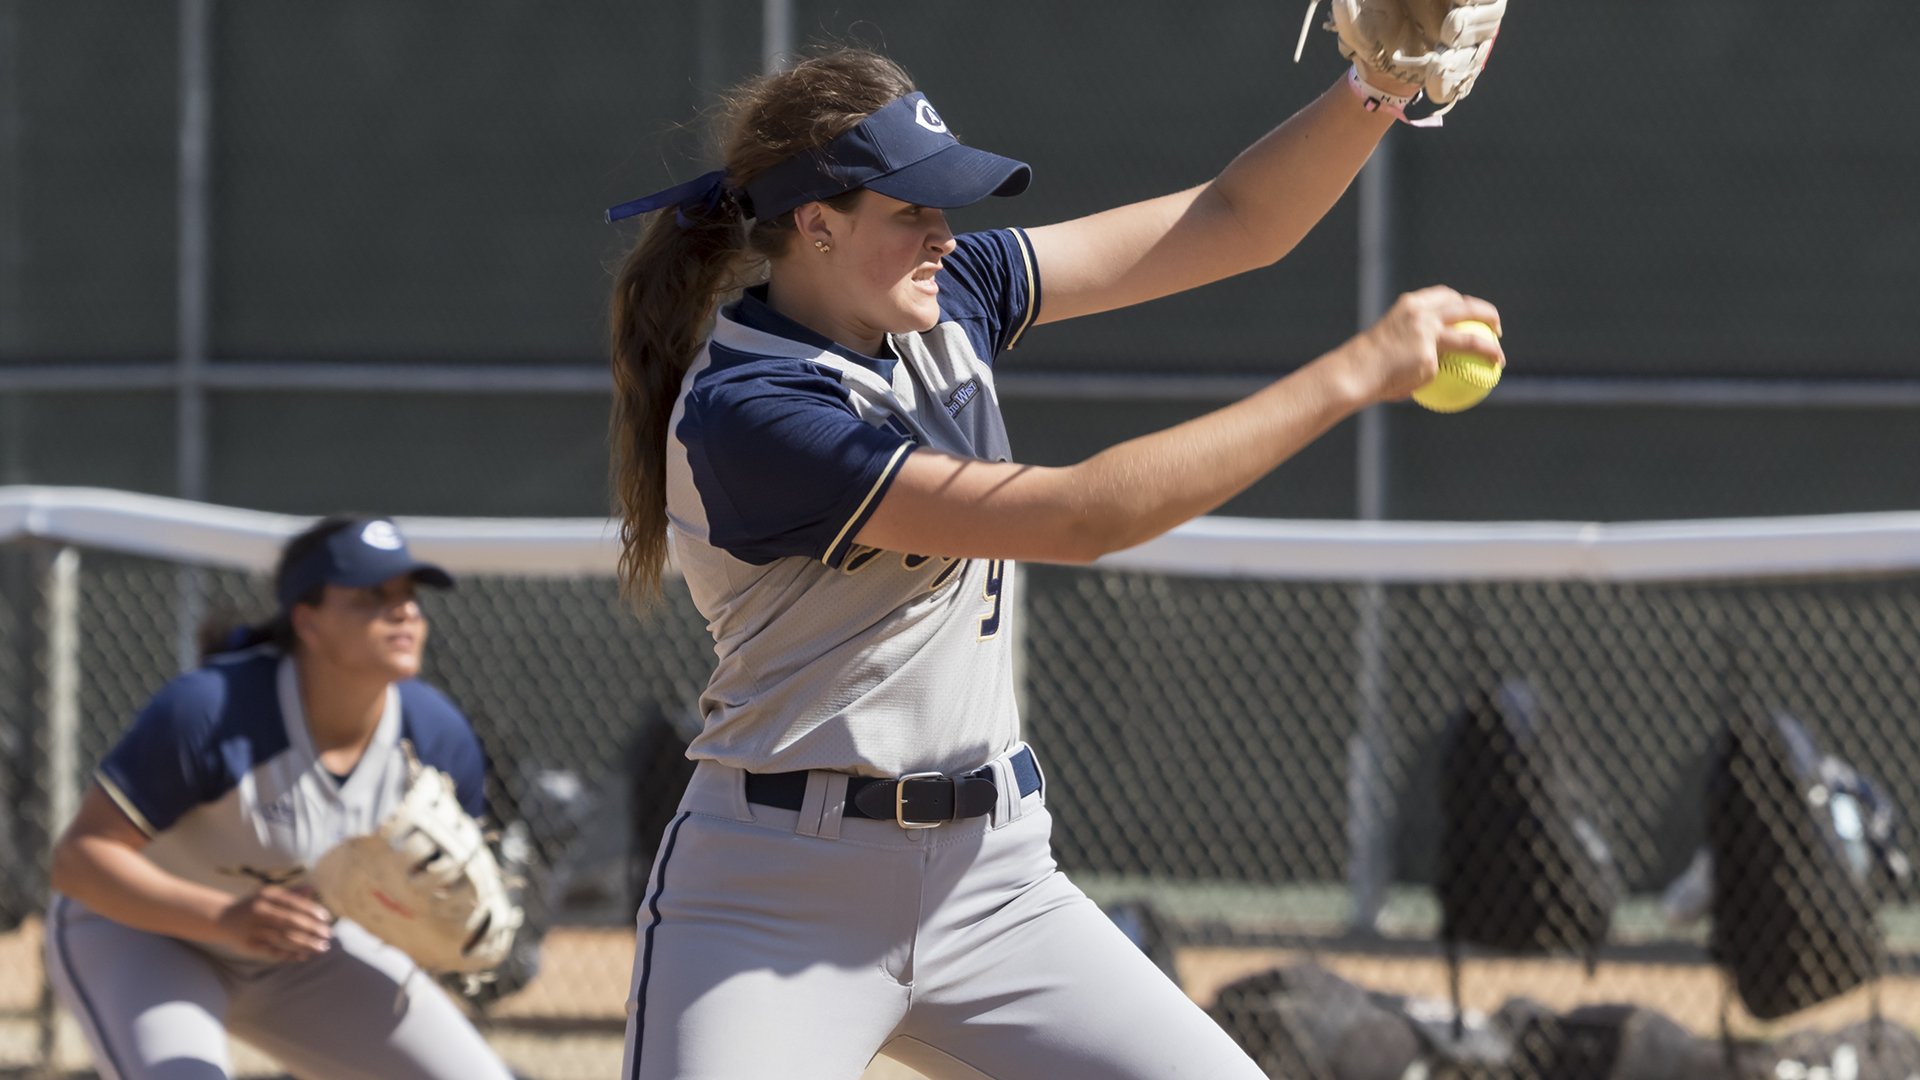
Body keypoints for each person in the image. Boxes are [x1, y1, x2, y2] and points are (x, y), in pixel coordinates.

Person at [606, 44, 1505, 1080]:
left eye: (945, 207)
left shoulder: (950, 297)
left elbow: (1234, 219)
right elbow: (1082, 518)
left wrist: (1376, 90)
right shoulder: (750, 412)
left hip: (994, 886)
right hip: (776, 902)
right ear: (816, 224)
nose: (944, 234)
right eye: (911, 210)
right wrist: (1354, 374)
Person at [45, 516, 515, 1080]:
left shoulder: (436, 736)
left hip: (302, 952)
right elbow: (78, 860)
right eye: (371, 596)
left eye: (409, 595)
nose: (405, 612)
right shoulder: (211, 710)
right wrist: (224, 917)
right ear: (307, 621)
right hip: (144, 935)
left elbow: (423, 899)